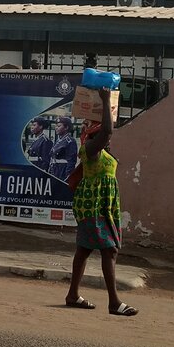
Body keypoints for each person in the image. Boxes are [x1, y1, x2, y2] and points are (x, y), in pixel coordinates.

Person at [65, 87, 138, 316]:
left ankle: (73, 295)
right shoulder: (90, 148)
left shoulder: (101, 150)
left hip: (101, 205)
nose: (106, 139)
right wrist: (106, 101)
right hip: (94, 205)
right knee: (110, 250)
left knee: (84, 249)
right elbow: (107, 129)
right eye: (101, 136)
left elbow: (106, 132)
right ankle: (114, 302)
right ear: (94, 136)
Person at [48, 117, 78, 182]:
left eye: (59, 126)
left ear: (66, 127)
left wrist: (68, 177)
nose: (56, 128)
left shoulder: (70, 141)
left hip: (62, 172)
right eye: (56, 126)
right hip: (54, 170)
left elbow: (71, 162)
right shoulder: (58, 141)